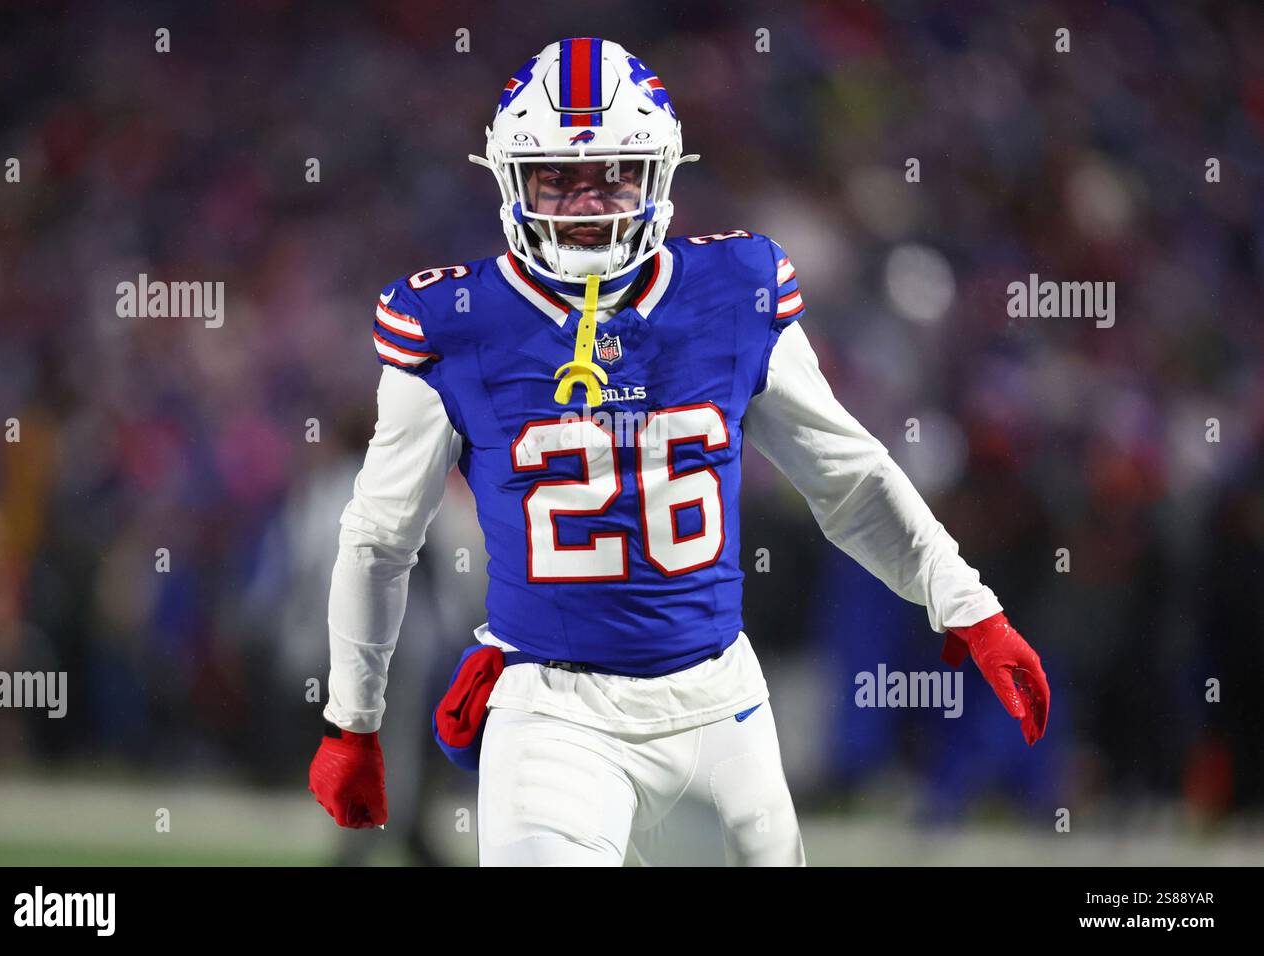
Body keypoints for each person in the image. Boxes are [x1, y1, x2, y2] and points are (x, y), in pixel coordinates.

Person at [308, 37, 1049, 866]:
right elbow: (379, 538)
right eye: (557, 176)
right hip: (552, 712)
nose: (587, 203)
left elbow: (848, 479)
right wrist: (354, 720)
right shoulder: (451, 322)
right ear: (511, 176)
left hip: (718, 704)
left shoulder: (737, 290)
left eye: (613, 173)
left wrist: (967, 605)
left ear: (659, 172)